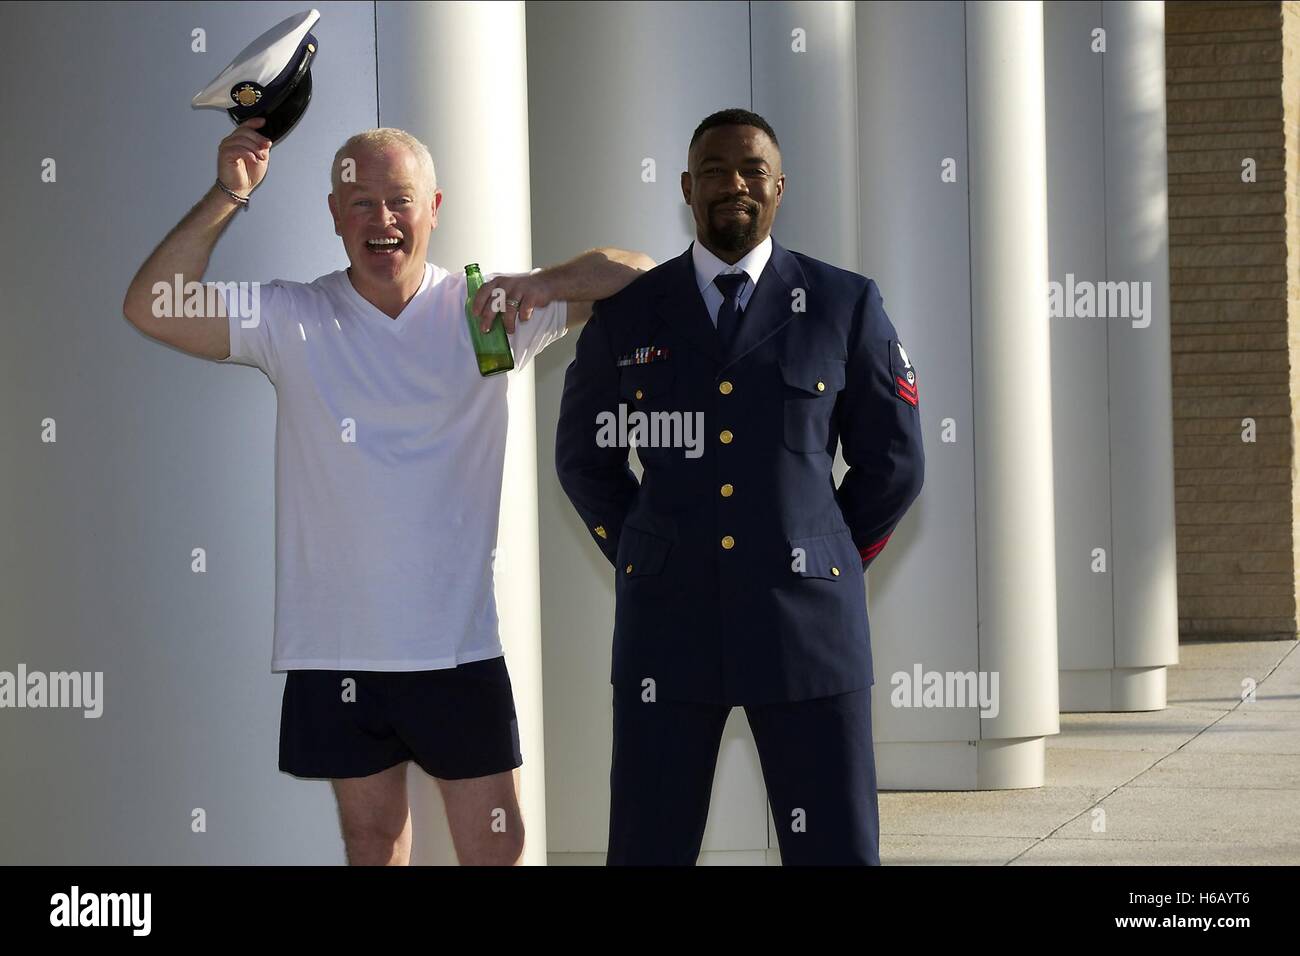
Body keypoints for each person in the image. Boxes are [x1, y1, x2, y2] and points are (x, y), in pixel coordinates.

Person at [122, 117, 654, 865]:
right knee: (372, 844)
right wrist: (227, 193)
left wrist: (541, 285)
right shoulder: (290, 316)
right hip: (336, 650)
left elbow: (644, 273)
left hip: (456, 646)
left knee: (498, 844)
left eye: (400, 200)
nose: (382, 220)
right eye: (361, 202)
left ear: (434, 207)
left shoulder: (486, 313)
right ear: (334, 215)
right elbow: (151, 303)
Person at [555, 108, 924, 865]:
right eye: (715, 170)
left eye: (752, 169)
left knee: (835, 850)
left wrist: (826, 555)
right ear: (687, 187)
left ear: (779, 187)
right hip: (670, 625)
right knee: (648, 848)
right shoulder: (631, 313)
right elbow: (585, 457)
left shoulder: (842, 303)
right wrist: (642, 549)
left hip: (807, 632)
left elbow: (894, 460)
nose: (735, 185)